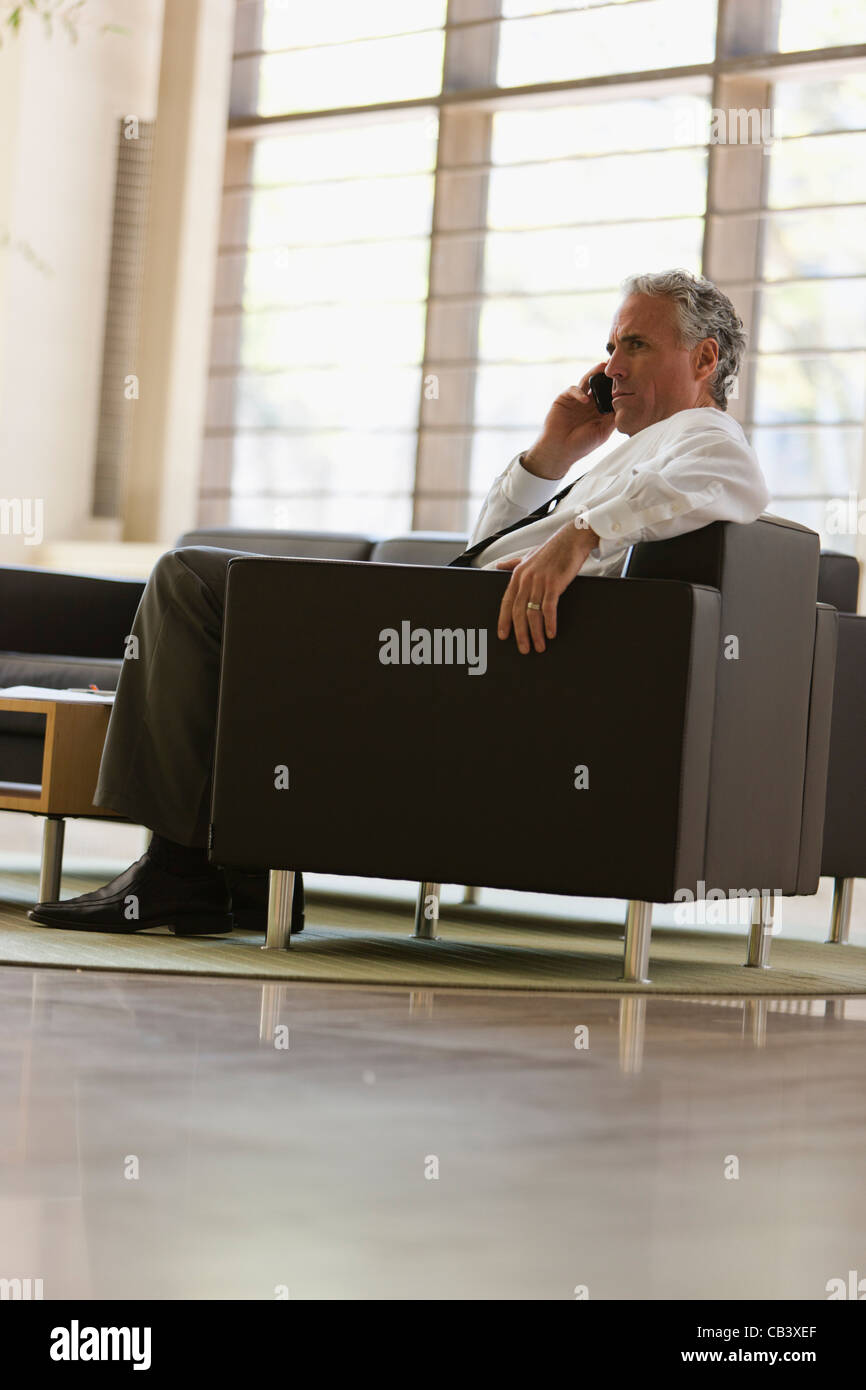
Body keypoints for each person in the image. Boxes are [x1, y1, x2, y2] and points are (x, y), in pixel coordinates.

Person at [27, 269, 769, 936]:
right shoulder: (634, 452)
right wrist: (554, 456)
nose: (611, 367)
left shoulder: (706, 436)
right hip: (456, 622)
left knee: (192, 577)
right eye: (611, 347)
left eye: (634, 345)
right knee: (232, 624)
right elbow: (486, 548)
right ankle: (236, 874)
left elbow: (734, 481)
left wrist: (580, 533)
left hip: (461, 639)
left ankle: (178, 872)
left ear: (704, 359)